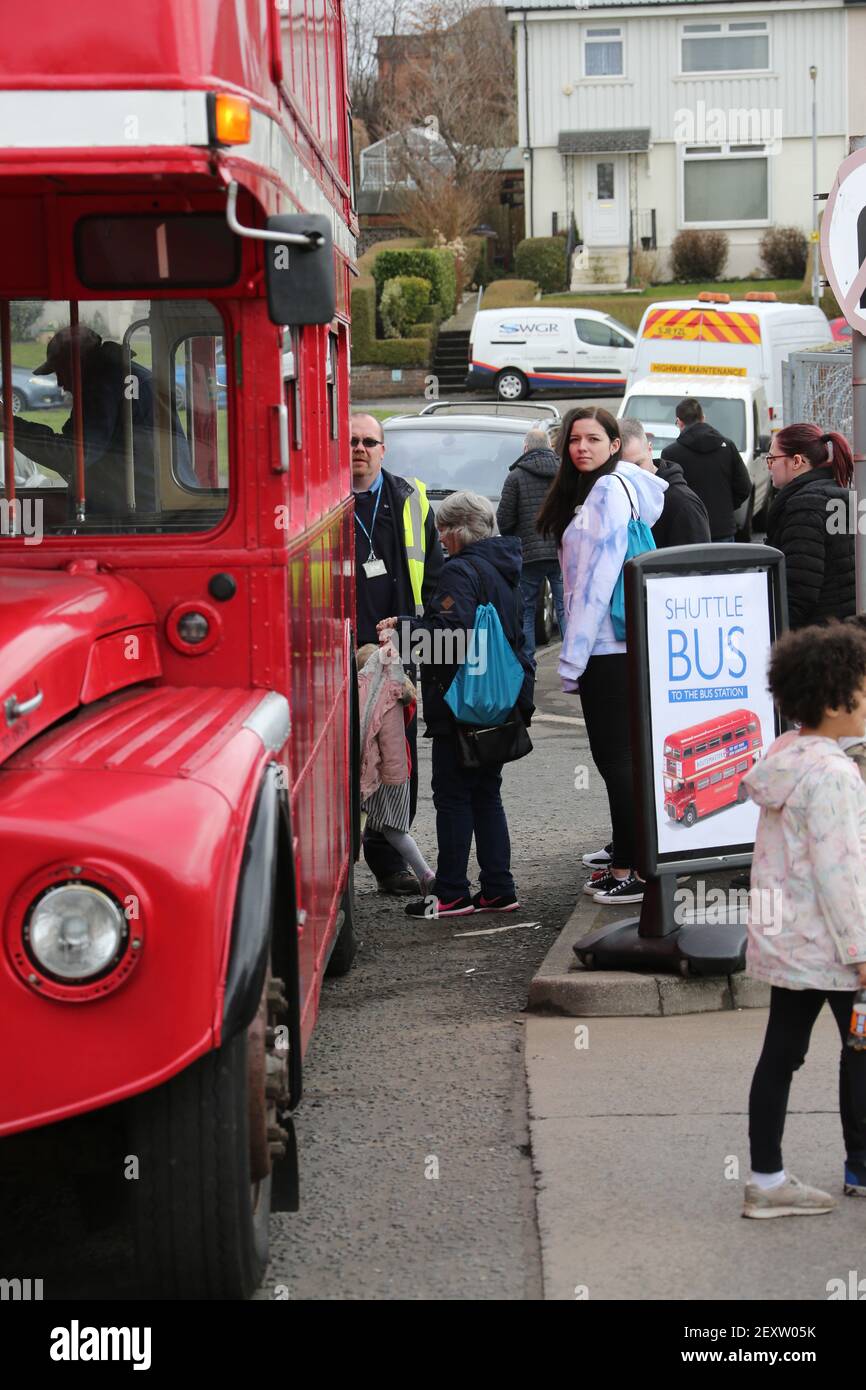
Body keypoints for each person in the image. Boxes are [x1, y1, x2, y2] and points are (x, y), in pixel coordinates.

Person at [741, 622, 866, 1217]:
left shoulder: (786, 755)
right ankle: (861, 1167)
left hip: (791, 945)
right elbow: (840, 875)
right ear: (838, 700)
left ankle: (766, 1179)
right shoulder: (837, 776)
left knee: (781, 1054)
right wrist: (862, 952)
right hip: (839, 952)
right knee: (862, 1047)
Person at [376, 490, 534, 918]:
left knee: (453, 797)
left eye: (443, 529)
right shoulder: (506, 567)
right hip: (501, 702)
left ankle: (449, 893)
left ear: (460, 531)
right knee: (487, 795)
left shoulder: (459, 572)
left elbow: (448, 642)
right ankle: (499, 889)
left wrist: (402, 630)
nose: (439, 538)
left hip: (463, 704)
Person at [538, 406, 666, 905]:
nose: (582, 448)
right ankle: (630, 860)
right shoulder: (606, 489)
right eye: (574, 439)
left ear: (615, 444)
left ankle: (630, 868)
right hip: (617, 643)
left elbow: (595, 584)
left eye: (594, 439)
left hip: (608, 646)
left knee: (617, 761)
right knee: (621, 759)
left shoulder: (610, 491)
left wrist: (572, 658)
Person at [349, 411, 444, 894]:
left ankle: (388, 860)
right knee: (347, 752)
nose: (359, 449)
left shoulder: (409, 498)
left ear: (383, 450)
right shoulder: (323, 497)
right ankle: (347, 854)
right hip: (341, 651)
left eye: (369, 441)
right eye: (350, 441)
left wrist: (423, 638)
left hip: (398, 648)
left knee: (397, 754)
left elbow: (433, 574)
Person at [6, 324, 191, 513]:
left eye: (60, 371)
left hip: (135, 514)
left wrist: (9, 424)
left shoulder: (103, 385)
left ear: (76, 363)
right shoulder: (122, 375)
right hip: (154, 504)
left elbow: (73, 455)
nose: (61, 383)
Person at [357, 641, 435, 896]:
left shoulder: (375, 700)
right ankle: (424, 874)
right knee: (393, 830)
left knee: (384, 828)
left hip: (384, 774)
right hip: (403, 772)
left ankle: (425, 874)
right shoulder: (403, 693)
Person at [764, 423, 855, 629]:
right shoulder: (843, 496)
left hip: (818, 641)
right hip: (848, 631)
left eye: (771, 459)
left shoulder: (805, 508)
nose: (768, 467)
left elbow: (798, 594)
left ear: (796, 461)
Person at [496, 426, 566, 660]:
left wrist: (514, 538)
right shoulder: (563, 472)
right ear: (549, 446)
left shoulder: (515, 476)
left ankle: (528, 664)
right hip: (560, 552)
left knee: (525, 611)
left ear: (525, 448)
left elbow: (504, 519)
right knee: (565, 607)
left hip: (528, 554)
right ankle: (573, 660)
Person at [659, 397, 751, 542]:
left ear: (679, 421)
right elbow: (744, 486)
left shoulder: (670, 454)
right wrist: (725, 506)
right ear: (703, 418)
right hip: (723, 528)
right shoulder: (727, 447)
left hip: (688, 530)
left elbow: (666, 494)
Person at [618, 418, 711, 549]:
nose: (631, 474)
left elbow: (698, 564)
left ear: (650, 449)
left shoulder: (684, 504)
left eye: (637, 465)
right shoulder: (612, 497)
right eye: (621, 469)